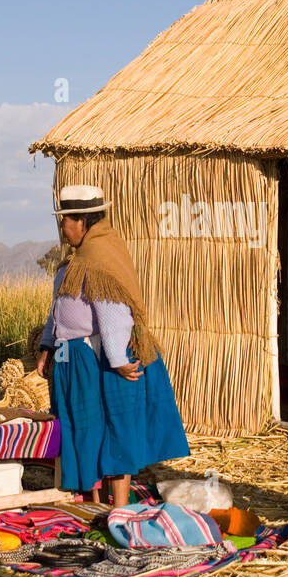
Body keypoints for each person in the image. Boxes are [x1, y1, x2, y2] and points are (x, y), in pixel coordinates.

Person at [37, 185, 190, 506]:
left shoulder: (100, 257)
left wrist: (118, 357)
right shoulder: (73, 261)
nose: (63, 229)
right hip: (71, 359)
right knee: (81, 427)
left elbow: (114, 310)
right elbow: (59, 308)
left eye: (66, 221)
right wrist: (47, 346)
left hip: (98, 355)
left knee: (113, 426)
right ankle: (94, 500)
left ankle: (118, 506)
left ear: (83, 221)